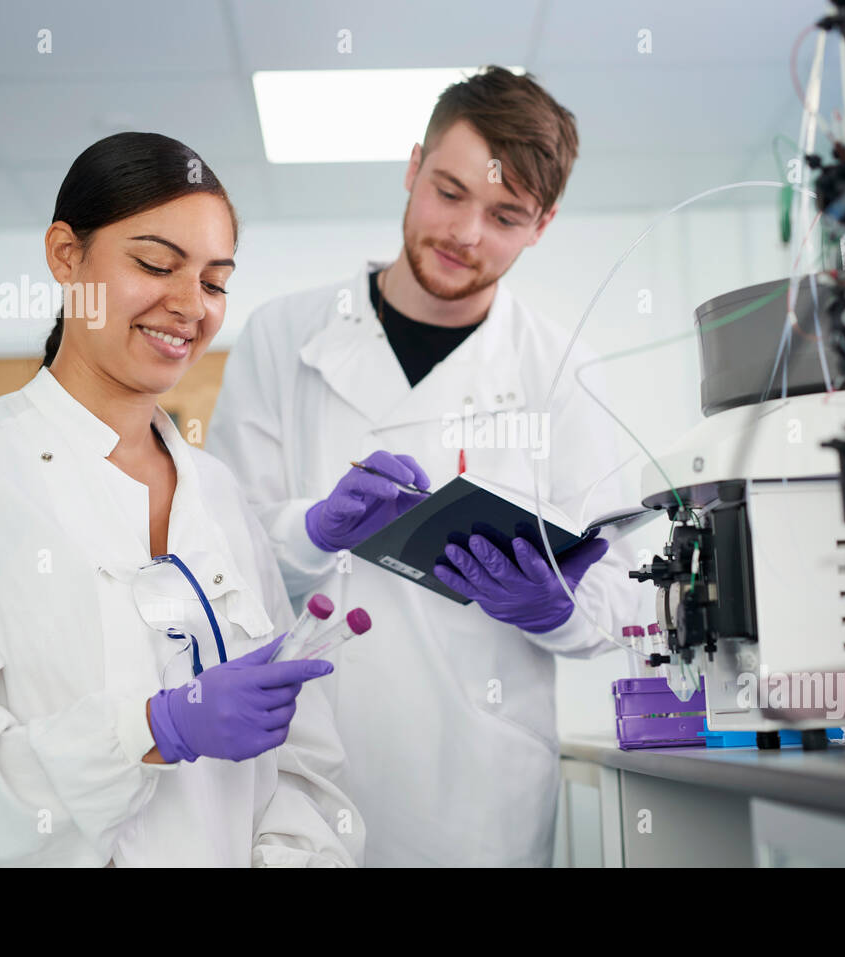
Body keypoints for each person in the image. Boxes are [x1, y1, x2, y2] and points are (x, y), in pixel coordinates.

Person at [0, 132, 362, 867]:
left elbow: (303, 765)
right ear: (66, 256)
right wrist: (153, 728)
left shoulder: (217, 495)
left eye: (216, 282)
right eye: (155, 264)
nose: (191, 306)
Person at [207, 67, 646, 866]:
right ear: (413, 169)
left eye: (505, 214)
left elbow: (619, 590)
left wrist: (553, 607)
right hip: (304, 760)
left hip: (476, 791)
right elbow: (221, 564)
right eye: (448, 191)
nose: (466, 232)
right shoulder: (284, 336)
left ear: (541, 225)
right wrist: (309, 530)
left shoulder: (560, 371)